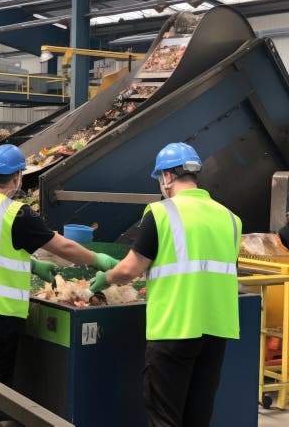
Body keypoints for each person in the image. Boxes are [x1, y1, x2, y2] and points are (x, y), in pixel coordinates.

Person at [88, 142, 241, 427]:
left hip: (175, 328)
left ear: (167, 177)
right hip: (216, 332)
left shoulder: (161, 213)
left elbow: (131, 269)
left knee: (165, 417)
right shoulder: (230, 218)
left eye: (160, 178)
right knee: (197, 415)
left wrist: (104, 278)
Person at [0, 144, 118, 386]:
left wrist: (33, 265)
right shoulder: (16, 213)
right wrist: (97, 259)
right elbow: (64, 247)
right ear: (17, 178)